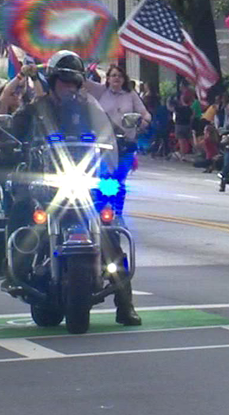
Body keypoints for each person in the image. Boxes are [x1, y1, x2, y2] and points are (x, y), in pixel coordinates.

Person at [8, 51, 143, 326]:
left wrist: (122, 140)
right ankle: (16, 270)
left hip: (86, 180)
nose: (69, 87)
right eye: (64, 81)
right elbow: (14, 130)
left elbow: (111, 131)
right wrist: (10, 142)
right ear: (53, 81)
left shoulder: (89, 108)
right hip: (47, 180)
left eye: (74, 82)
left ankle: (125, 304)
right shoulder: (37, 107)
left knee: (110, 229)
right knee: (22, 209)